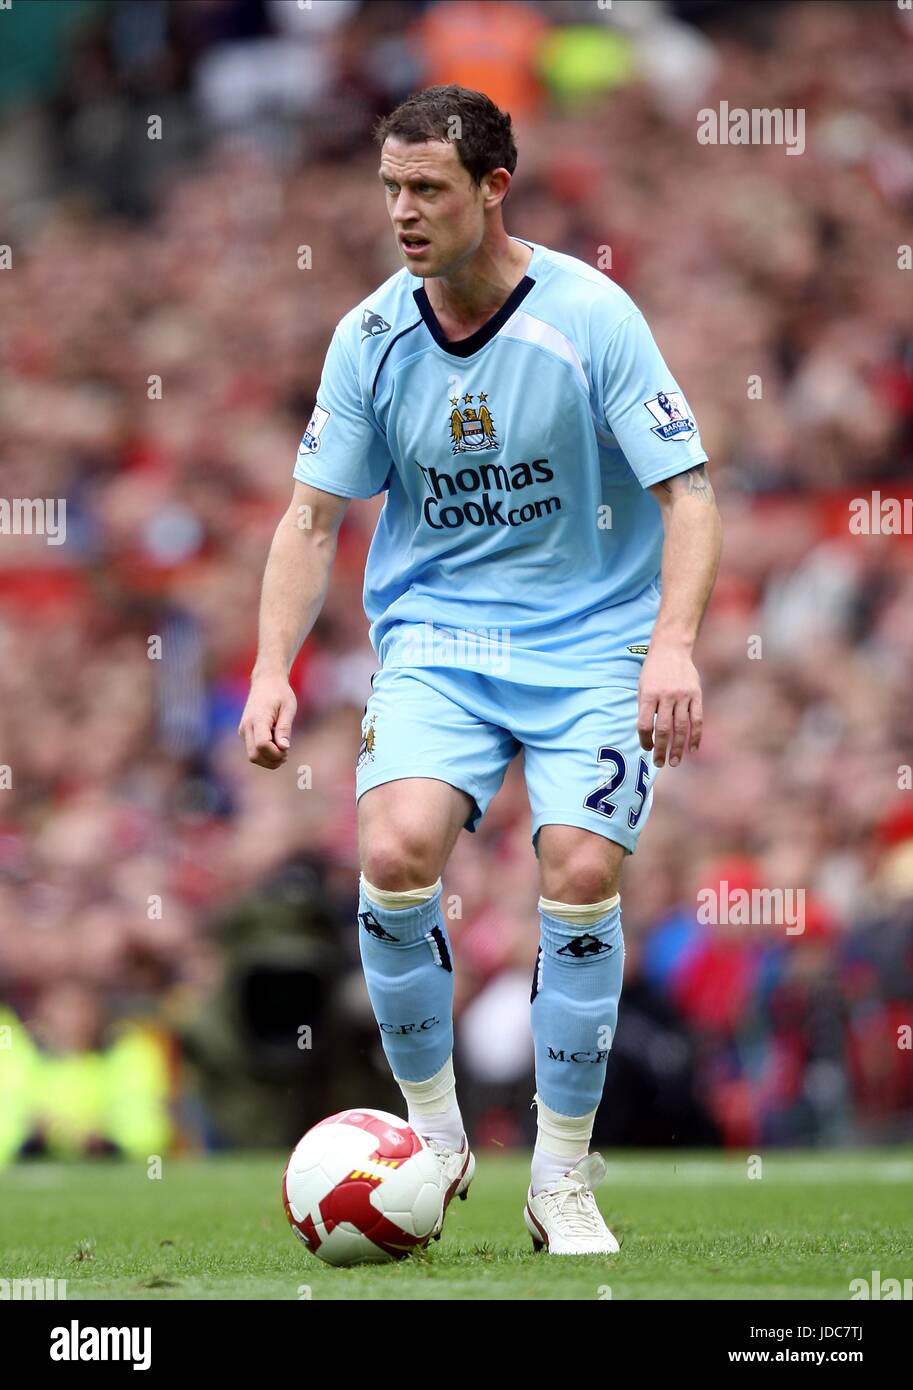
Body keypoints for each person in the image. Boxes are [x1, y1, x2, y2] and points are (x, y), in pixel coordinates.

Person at [239, 84, 722, 1256]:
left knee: (579, 867)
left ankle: (560, 1176)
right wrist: (270, 668)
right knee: (396, 847)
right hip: (439, 642)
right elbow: (311, 520)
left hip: (589, 646)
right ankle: (435, 1135)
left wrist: (671, 645)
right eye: (390, 189)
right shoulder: (370, 337)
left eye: (428, 190)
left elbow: (689, 494)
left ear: (492, 189)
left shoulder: (592, 315)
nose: (402, 212)